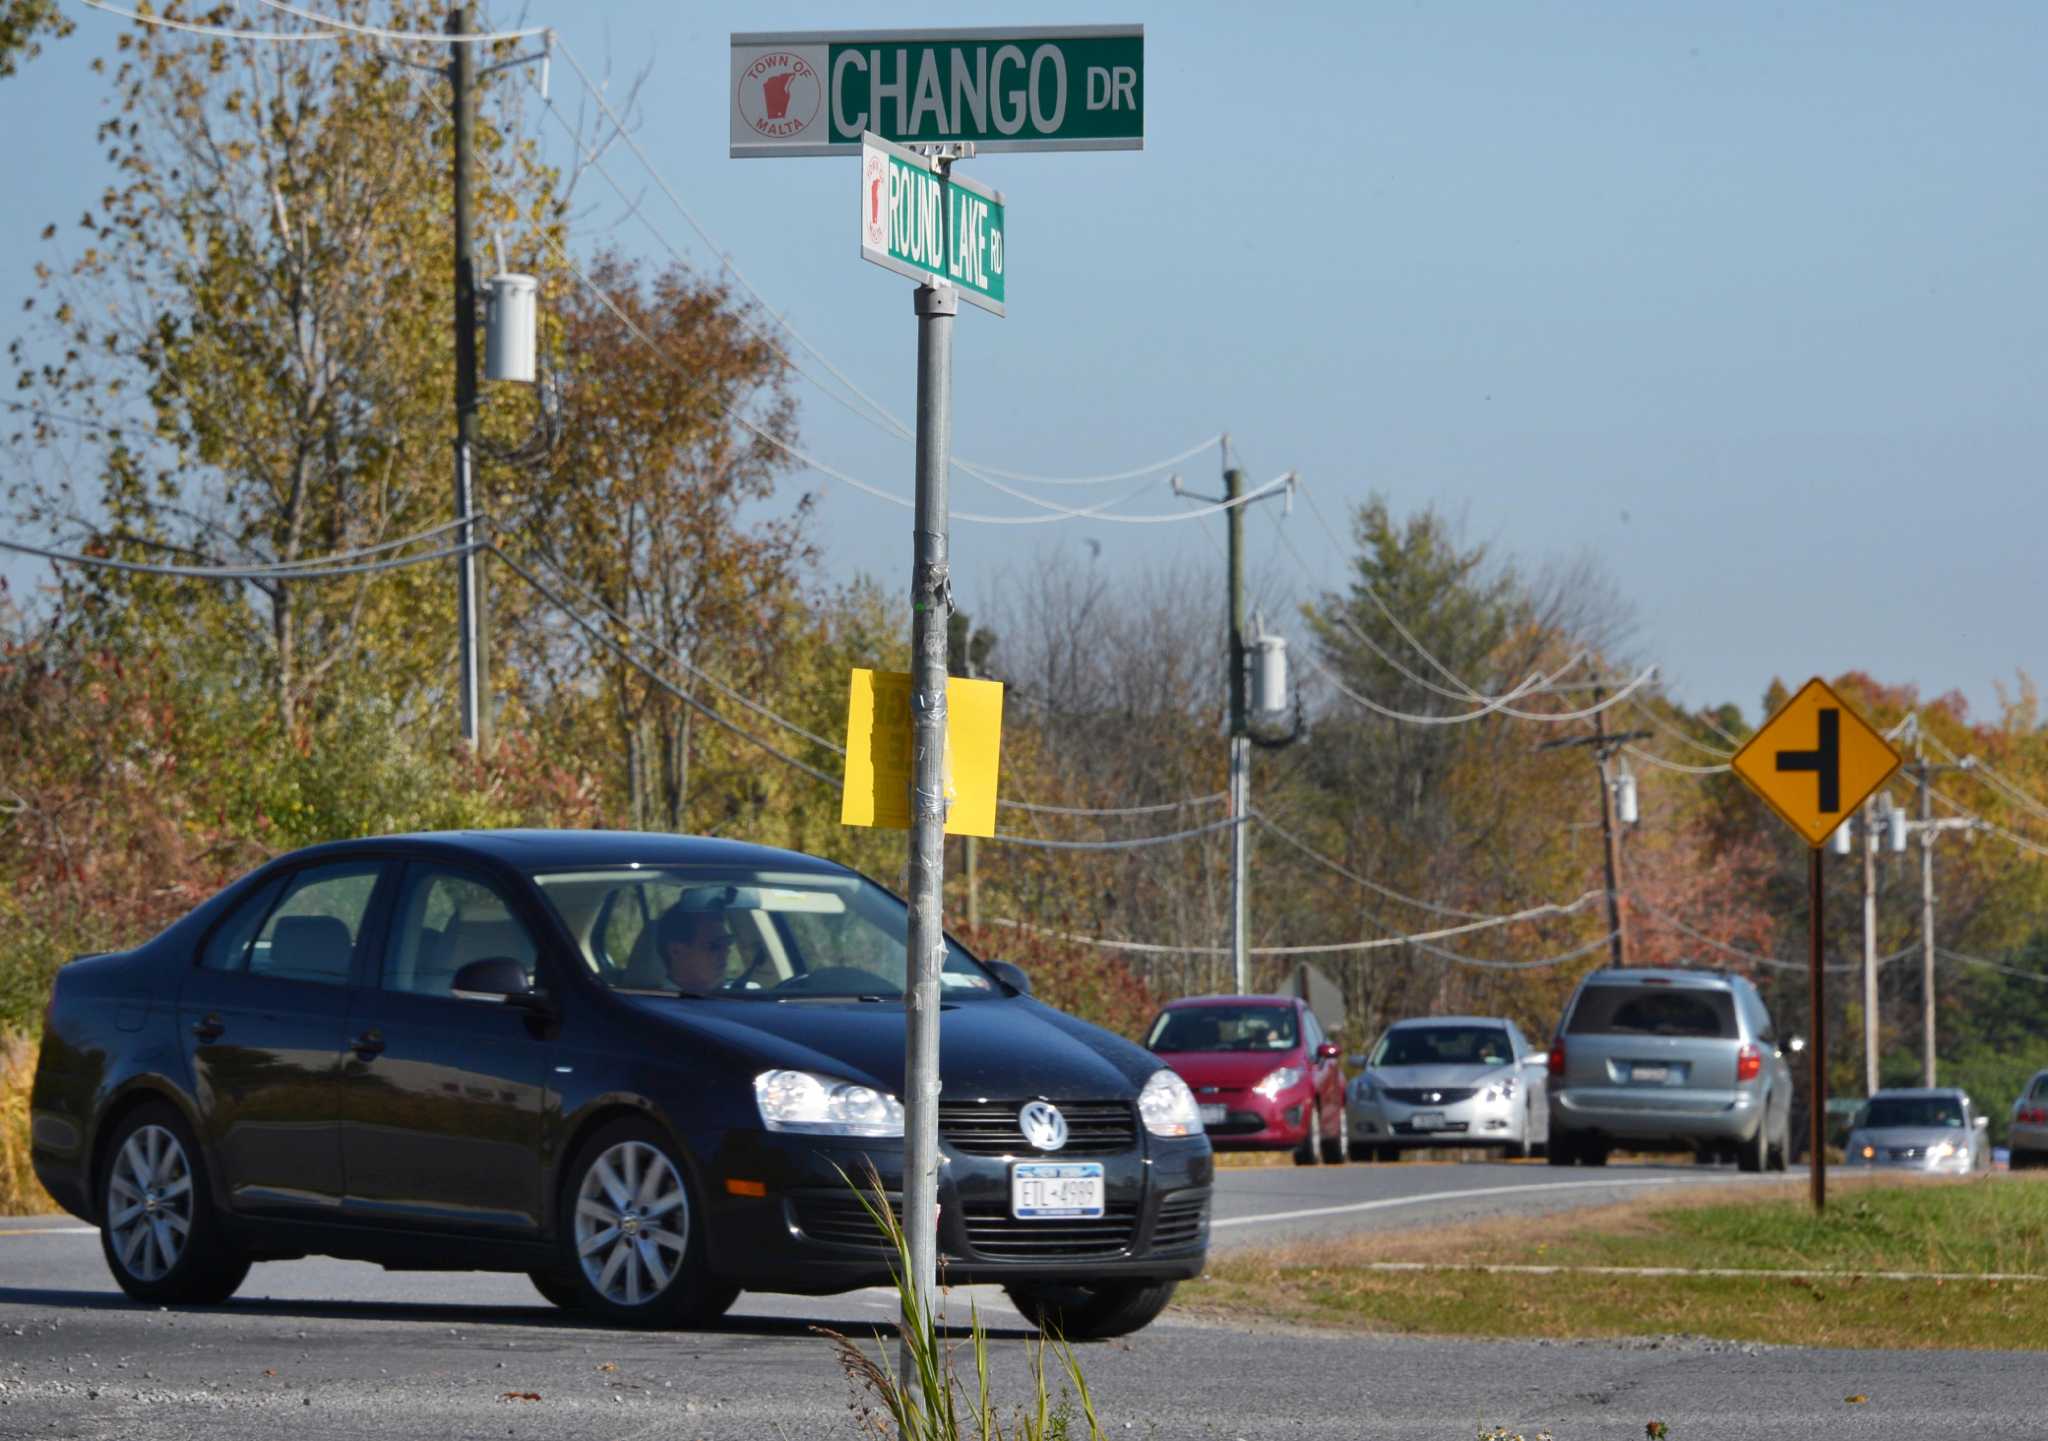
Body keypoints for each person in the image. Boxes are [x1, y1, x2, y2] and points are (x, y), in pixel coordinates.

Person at [656, 904, 734, 993]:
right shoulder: (656, 1004)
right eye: (715, 945)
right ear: (676, 951)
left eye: (728, 941)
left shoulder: (737, 995)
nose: (727, 951)